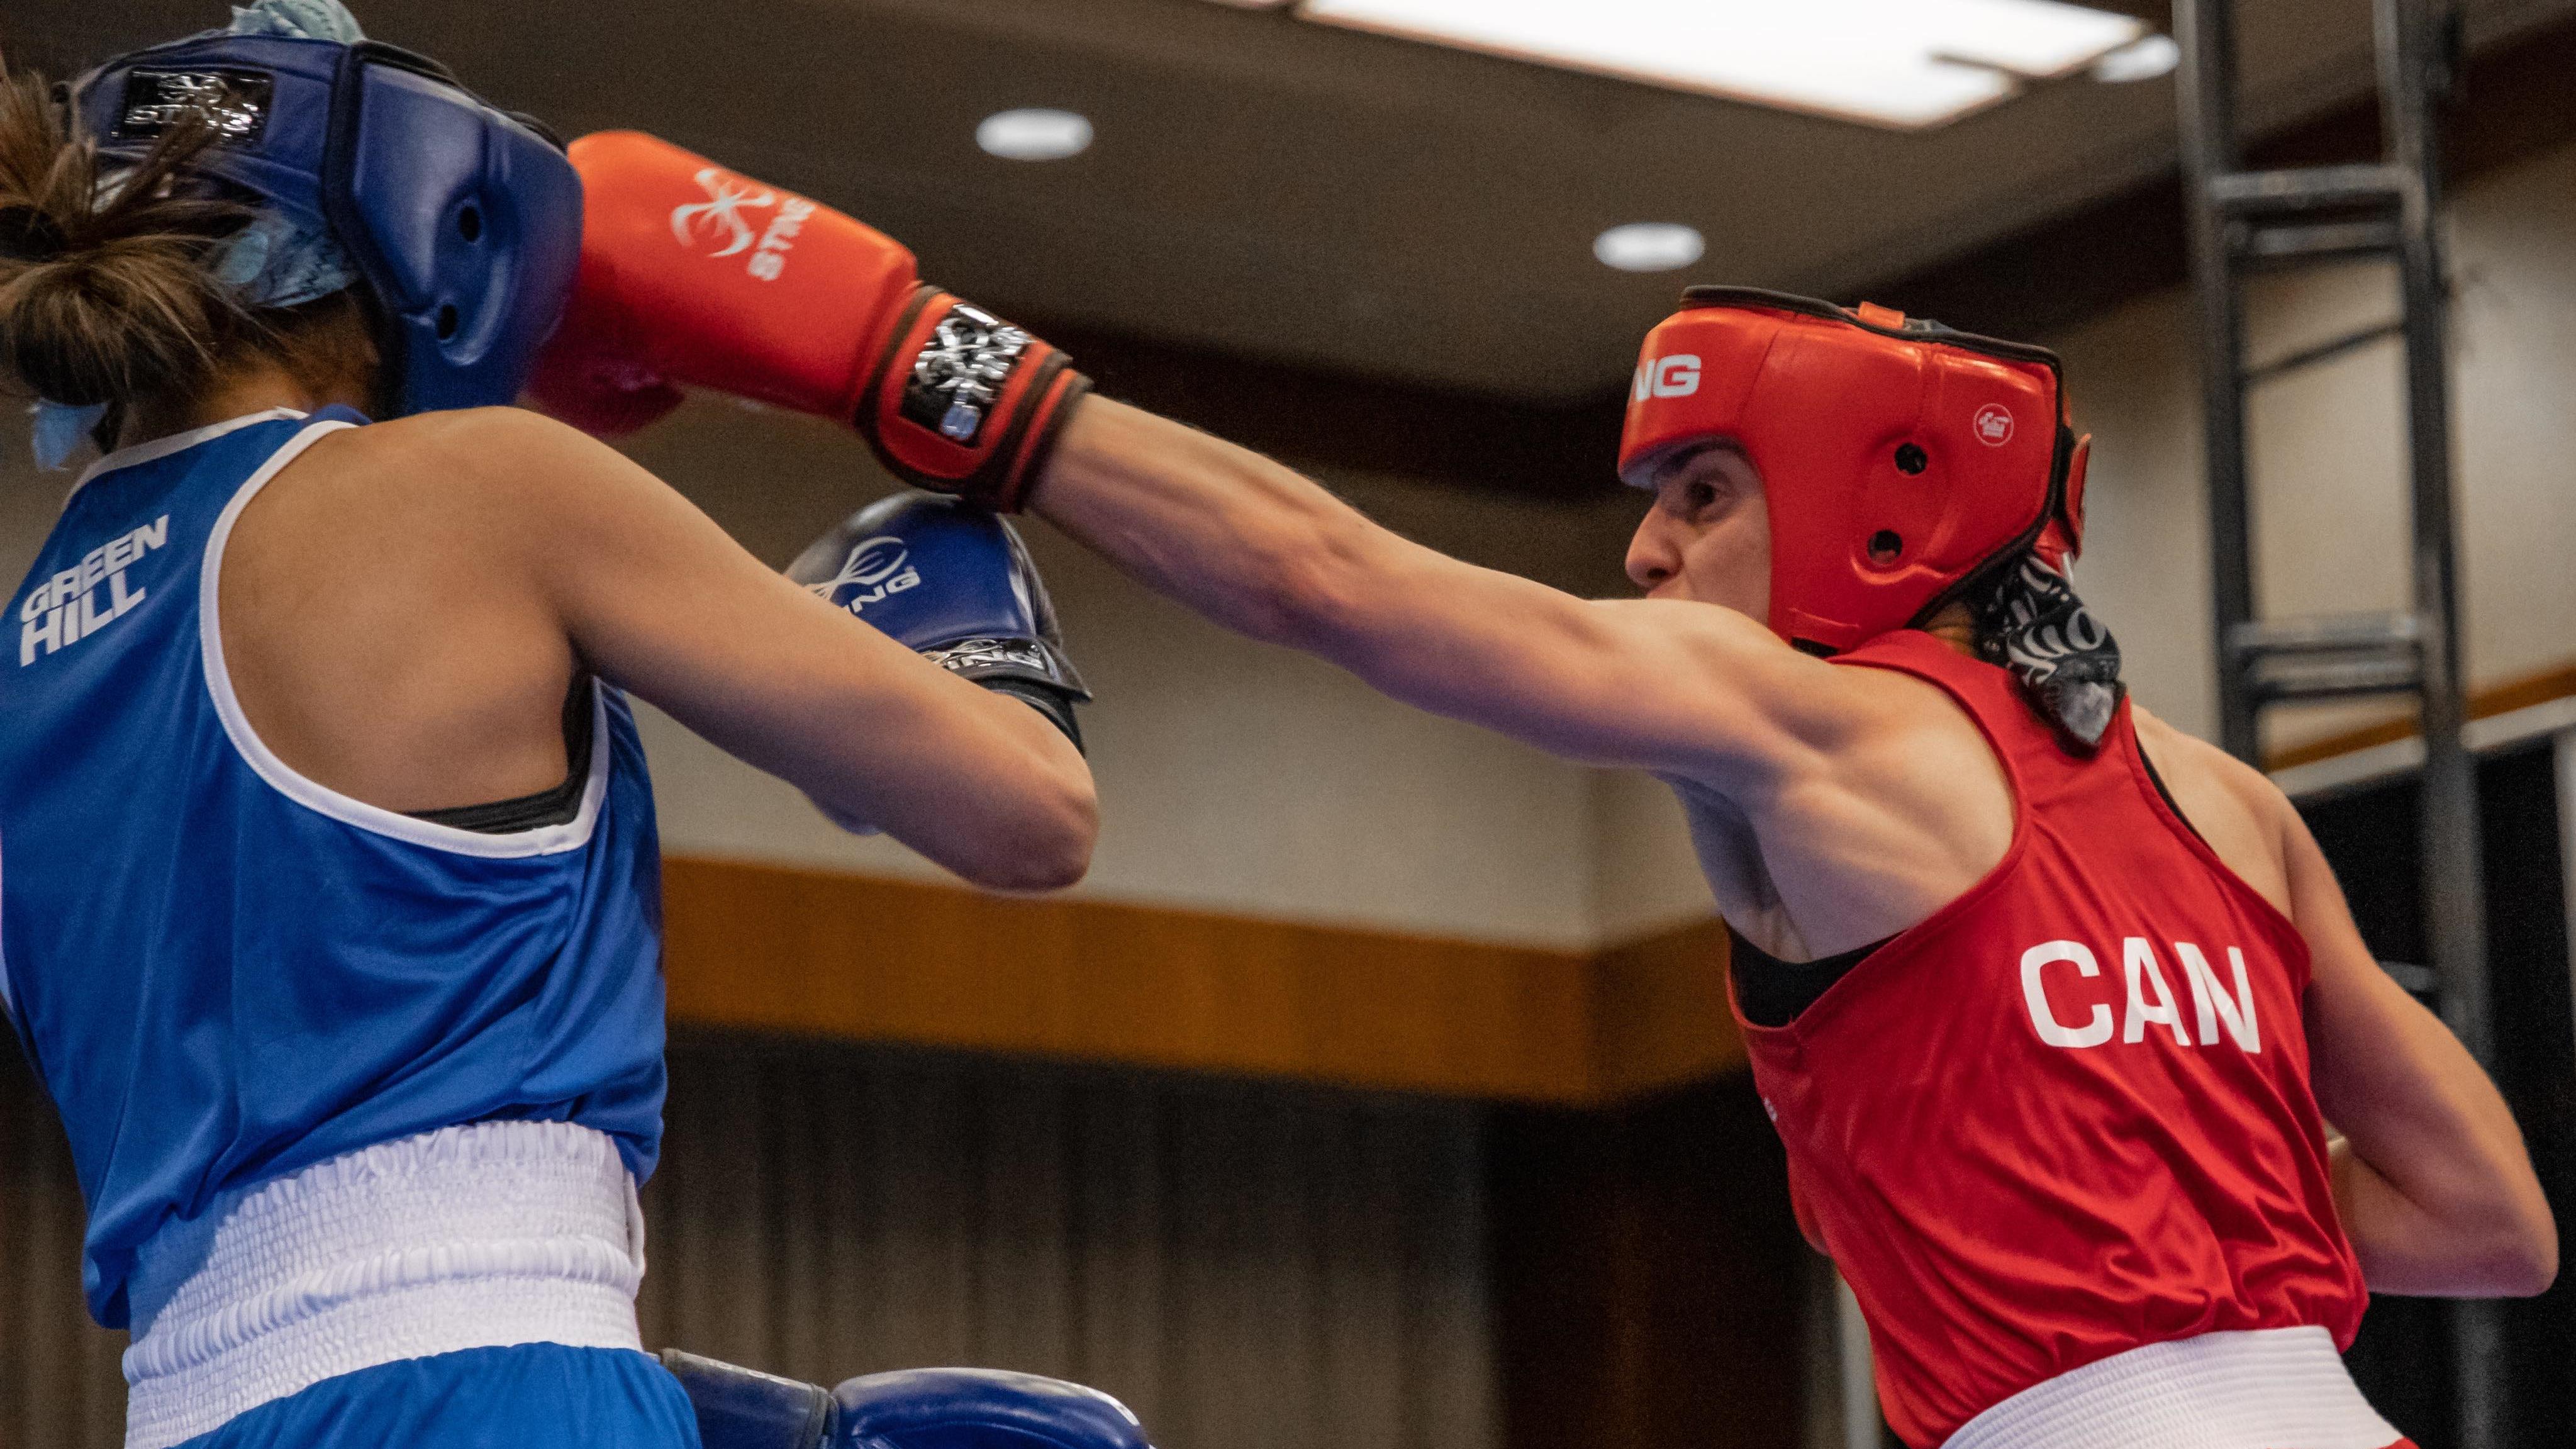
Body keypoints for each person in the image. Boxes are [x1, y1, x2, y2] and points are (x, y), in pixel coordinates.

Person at [542, 140, 2557, 1448]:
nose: (1655, 559)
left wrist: (926, 365)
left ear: (1881, 501)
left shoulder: (1809, 722)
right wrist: (2176, 1258)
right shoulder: (2223, 804)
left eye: (1700, 493)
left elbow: (1330, 581)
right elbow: (2488, 1223)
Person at [0, 9, 1095, 1449]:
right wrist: (978, 654)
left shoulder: (27, 644)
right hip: (497, 1386)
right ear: (429, 228)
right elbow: (1031, 817)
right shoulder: (482, 483)